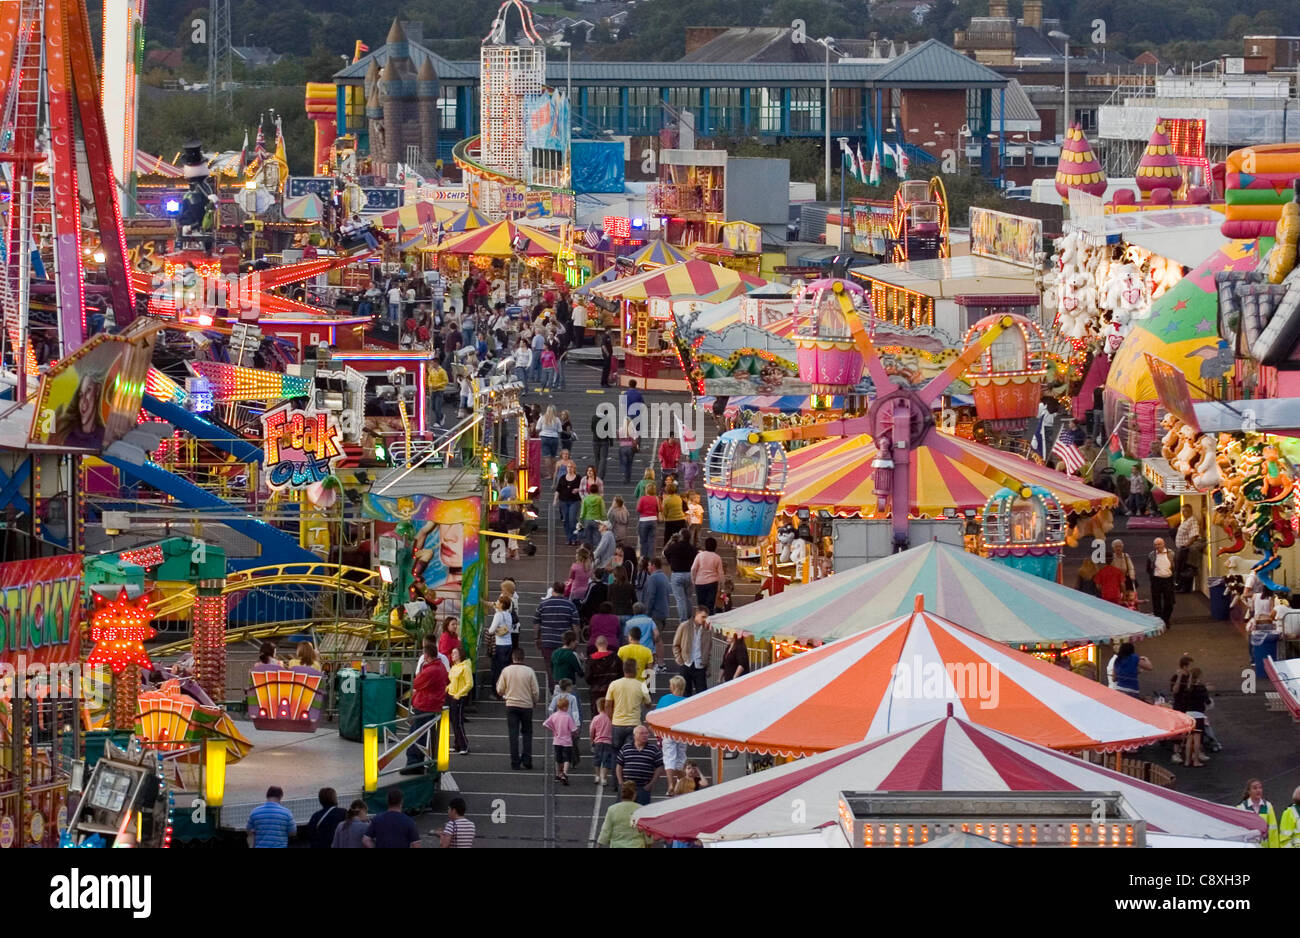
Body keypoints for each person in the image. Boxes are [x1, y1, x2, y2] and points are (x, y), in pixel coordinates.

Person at [404, 638, 448, 774]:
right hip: (433, 705)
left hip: (424, 705)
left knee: (416, 735)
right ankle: (423, 762)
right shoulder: (440, 667)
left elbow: (416, 683)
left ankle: (413, 764)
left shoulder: (430, 670)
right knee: (425, 735)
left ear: (426, 655)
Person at [497, 647, 540, 770]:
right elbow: (535, 691)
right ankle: (527, 759)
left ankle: (515, 762)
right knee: (527, 733)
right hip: (526, 705)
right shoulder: (529, 671)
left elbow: (499, 689)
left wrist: (505, 694)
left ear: (513, 658)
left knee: (513, 734)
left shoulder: (506, 671)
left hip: (511, 704)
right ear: (523, 657)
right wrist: (535, 701)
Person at [535, 582, 580, 685]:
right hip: (565, 643)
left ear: (553, 590)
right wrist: (576, 639)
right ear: (564, 591)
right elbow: (576, 624)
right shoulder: (570, 605)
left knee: (550, 669)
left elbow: (536, 622)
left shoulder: (543, 604)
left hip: (547, 642)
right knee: (566, 667)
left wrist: (536, 638)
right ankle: (566, 690)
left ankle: (554, 691)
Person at [605, 658, 650, 752]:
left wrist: (611, 719)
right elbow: (648, 704)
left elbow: (607, 705)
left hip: (617, 723)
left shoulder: (614, 684)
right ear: (635, 670)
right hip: (634, 723)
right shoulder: (641, 685)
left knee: (615, 752)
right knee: (631, 752)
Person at [654, 674, 689, 792]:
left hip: (668, 732)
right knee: (681, 758)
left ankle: (670, 785)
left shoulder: (665, 699)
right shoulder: (687, 701)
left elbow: (656, 715)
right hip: (682, 733)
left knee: (669, 758)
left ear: (673, 686)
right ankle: (681, 781)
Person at [615, 725, 664, 806]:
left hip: (643, 787)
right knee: (622, 809)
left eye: (646, 733)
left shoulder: (654, 749)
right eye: (641, 733)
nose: (645, 735)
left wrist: (650, 785)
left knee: (641, 812)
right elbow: (619, 766)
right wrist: (621, 783)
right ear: (634, 736)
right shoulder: (626, 748)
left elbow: (659, 767)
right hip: (626, 786)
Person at [597, 781, 651, 848]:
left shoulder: (612, 809)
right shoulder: (641, 809)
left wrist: (599, 844)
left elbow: (606, 829)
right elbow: (646, 831)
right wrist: (649, 843)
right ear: (634, 794)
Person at [673, 606, 712, 696]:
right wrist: (680, 661)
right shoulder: (684, 626)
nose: (704, 620)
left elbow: (709, 649)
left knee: (702, 693)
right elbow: (676, 644)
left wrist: (707, 665)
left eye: (706, 617)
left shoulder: (707, 630)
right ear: (696, 615)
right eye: (703, 617)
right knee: (686, 693)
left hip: (700, 665)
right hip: (686, 664)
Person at [544, 694, 579, 785]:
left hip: (557, 740)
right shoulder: (567, 717)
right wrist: (575, 734)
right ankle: (565, 773)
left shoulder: (554, 716)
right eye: (567, 706)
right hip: (567, 741)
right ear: (564, 707)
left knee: (558, 758)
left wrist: (553, 730)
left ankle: (557, 774)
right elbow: (573, 729)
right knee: (567, 758)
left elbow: (545, 724)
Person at [664, 529, 698, 624]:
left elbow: (664, 553)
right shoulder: (692, 548)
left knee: (680, 599)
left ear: (681, 536)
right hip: (689, 574)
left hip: (677, 574)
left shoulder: (674, 547)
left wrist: (671, 540)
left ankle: (683, 621)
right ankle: (690, 618)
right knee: (688, 598)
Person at [585, 634, 623, 714]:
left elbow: (588, 679)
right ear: (607, 644)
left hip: (596, 692)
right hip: (612, 691)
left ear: (596, 645)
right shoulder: (615, 658)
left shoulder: (591, 660)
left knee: (597, 716)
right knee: (612, 715)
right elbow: (621, 675)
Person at [447, 644, 473, 755]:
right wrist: (447, 688)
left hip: (459, 697)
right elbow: (452, 681)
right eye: (452, 653)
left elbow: (469, 683)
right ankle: (457, 744)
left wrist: (459, 694)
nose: (452, 655)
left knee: (458, 722)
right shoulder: (454, 667)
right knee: (454, 721)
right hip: (451, 695)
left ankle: (464, 745)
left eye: (455, 653)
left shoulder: (465, 668)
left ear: (460, 655)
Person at [1238, 779, 1280, 848]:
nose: (1258, 790)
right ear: (1249, 791)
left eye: (1260, 788)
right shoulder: (1242, 808)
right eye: (1255, 788)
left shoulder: (1268, 806)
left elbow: (1273, 832)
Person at [691, 536, 725, 614]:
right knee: (710, 605)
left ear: (705, 545)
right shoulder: (717, 557)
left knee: (701, 605)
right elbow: (721, 573)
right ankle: (709, 621)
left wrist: (693, 579)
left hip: (699, 582)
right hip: (712, 583)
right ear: (715, 546)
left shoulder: (700, 555)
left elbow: (693, 568)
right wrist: (722, 585)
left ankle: (701, 621)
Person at [1147, 537, 1176, 628]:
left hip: (1168, 580)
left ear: (1164, 544)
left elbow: (1175, 566)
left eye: (1159, 544)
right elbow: (1148, 568)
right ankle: (1159, 621)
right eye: (1155, 545)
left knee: (1169, 602)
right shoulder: (1151, 555)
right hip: (1156, 580)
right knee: (1156, 602)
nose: (1157, 546)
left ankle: (1166, 619)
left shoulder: (1171, 553)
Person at [488, 596, 514, 695]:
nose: (496, 603)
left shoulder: (498, 615)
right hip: (509, 644)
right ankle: (506, 691)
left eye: (498, 602)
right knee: (506, 669)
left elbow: (491, 630)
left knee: (497, 670)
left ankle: (496, 692)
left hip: (500, 646)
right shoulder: (508, 614)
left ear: (502, 604)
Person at [554, 461, 582, 547]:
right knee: (566, 520)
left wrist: (578, 490)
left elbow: (583, 489)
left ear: (574, 468)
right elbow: (558, 490)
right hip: (563, 501)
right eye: (568, 467)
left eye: (571, 467)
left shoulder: (578, 478)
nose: (569, 468)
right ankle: (568, 537)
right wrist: (555, 500)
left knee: (572, 519)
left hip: (574, 501)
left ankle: (574, 538)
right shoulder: (562, 478)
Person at [640, 558, 671, 633]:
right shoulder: (664, 577)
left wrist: (647, 613)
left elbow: (651, 597)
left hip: (655, 613)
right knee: (658, 638)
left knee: (654, 639)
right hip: (663, 612)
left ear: (653, 566)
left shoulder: (653, 578)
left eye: (649, 565)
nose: (647, 567)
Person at [1174, 504, 1201, 591]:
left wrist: (1187, 545)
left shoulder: (1192, 521)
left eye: (1185, 511)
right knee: (1179, 567)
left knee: (1185, 568)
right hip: (1181, 548)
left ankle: (1184, 588)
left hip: (1186, 549)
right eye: (1182, 511)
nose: (1183, 513)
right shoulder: (1185, 520)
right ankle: (1179, 585)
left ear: (1190, 511)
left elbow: (1194, 535)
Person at [590, 698, 615, 787]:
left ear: (598, 708)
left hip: (598, 741)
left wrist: (592, 739)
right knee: (606, 760)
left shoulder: (596, 718)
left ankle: (597, 776)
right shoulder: (610, 718)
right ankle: (604, 778)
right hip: (608, 742)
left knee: (597, 759)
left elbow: (592, 730)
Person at [636, 482, 659, 564]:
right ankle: (651, 561)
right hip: (653, 520)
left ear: (646, 490)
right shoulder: (656, 498)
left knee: (643, 541)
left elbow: (638, 509)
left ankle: (643, 559)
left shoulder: (642, 498)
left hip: (643, 521)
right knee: (652, 541)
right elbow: (660, 509)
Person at [580, 481, 607, 549]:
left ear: (589, 490)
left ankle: (589, 553)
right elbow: (603, 511)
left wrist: (581, 520)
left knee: (588, 539)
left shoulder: (586, 499)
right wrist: (605, 520)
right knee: (598, 539)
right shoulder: (600, 499)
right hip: (597, 520)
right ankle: (597, 554)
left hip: (587, 520)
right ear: (597, 490)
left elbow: (583, 511)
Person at [538, 405, 563, 474]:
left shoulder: (542, 418)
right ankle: (554, 472)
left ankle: (549, 473)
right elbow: (560, 430)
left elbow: (537, 428)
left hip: (544, 437)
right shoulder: (557, 419)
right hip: (554, 438)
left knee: (546, 456)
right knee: (553, 456)